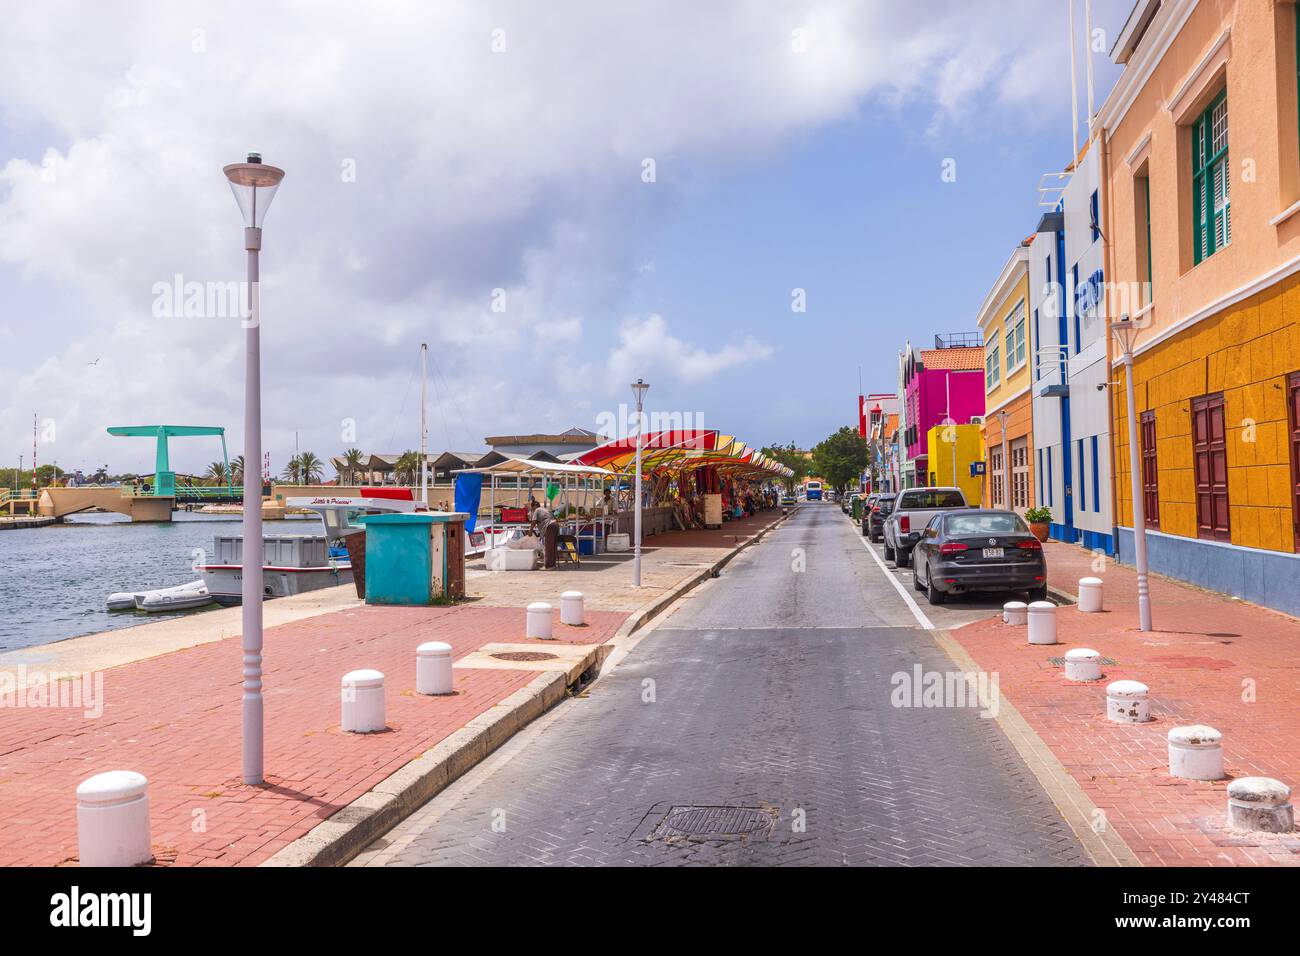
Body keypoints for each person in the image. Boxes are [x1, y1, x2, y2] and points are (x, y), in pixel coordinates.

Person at [531, 501, 558, 569]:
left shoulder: (537, 510)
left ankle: (548, 566)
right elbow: (554, 518)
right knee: (553, 546)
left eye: (532, 509)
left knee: (548, 547)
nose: (533, 510)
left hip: (549, 526)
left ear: (534, 506)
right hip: (555, 525)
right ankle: (552, 565)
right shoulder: (545, 509)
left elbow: (534, 521)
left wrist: (530, 531)